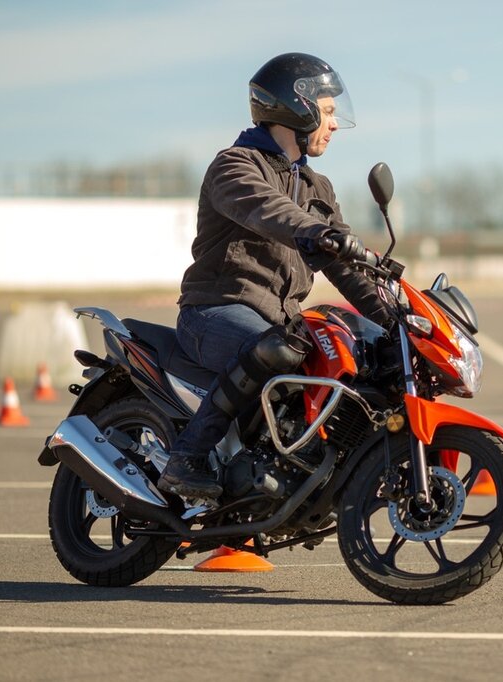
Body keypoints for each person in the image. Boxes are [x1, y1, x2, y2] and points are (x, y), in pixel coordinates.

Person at [157, 52, 387, 499]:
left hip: (278, 321)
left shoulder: (318, 188)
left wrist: (394, 318)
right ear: (298, 107)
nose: (335, 124)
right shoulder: (235, 165)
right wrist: (317, 232)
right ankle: (186, 458)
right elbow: (270, 210)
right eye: (328, 111)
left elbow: (344, 267)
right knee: (276, 351)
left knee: (351, 357)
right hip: (214, 312)